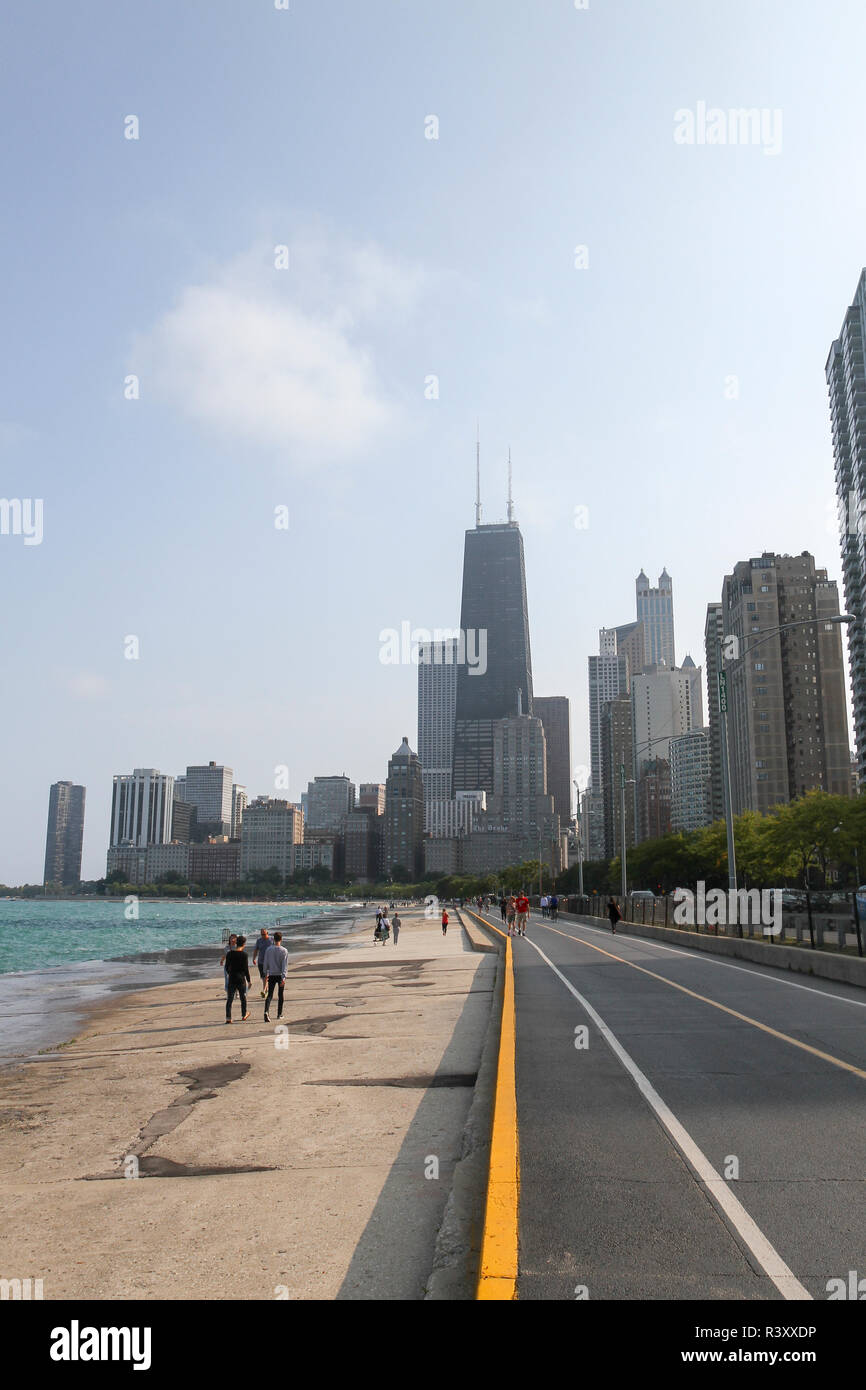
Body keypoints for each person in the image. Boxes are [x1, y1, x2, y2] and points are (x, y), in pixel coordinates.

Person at [262, 930, 289, 1022]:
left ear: (273, 939)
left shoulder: (268, 949)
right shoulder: (284, 950)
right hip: (280, 974)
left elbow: (265, 962)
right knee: (280, 995)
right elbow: (284, 965)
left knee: (270, 995)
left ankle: (266, 1011)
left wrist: (265, 972)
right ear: (281, 939)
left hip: (272, 974)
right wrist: (284, 977)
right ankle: (279, 1014)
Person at [224, 934, 251, 1023]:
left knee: (230, 999)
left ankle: (228, 1017)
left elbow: (226, 967)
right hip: (241, 979)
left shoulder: (229, 954)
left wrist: (230, 973)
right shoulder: (244, 955)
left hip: (232, 978)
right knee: (243, 998)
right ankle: (244, 1014)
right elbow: (246, 969)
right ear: (243, 944)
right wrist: (249, 980)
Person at [252, 927, 271, 998]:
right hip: (261, 961)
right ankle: (267, 990)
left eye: (264, 934)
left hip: (269, 961)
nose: (263, 936)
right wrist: (254, 958)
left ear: (267, 933)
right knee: (263, 977)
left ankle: (263, 991)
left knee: (266, 976)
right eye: (261, 934)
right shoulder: (259, 941)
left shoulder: (271, 940)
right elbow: (256, 950)